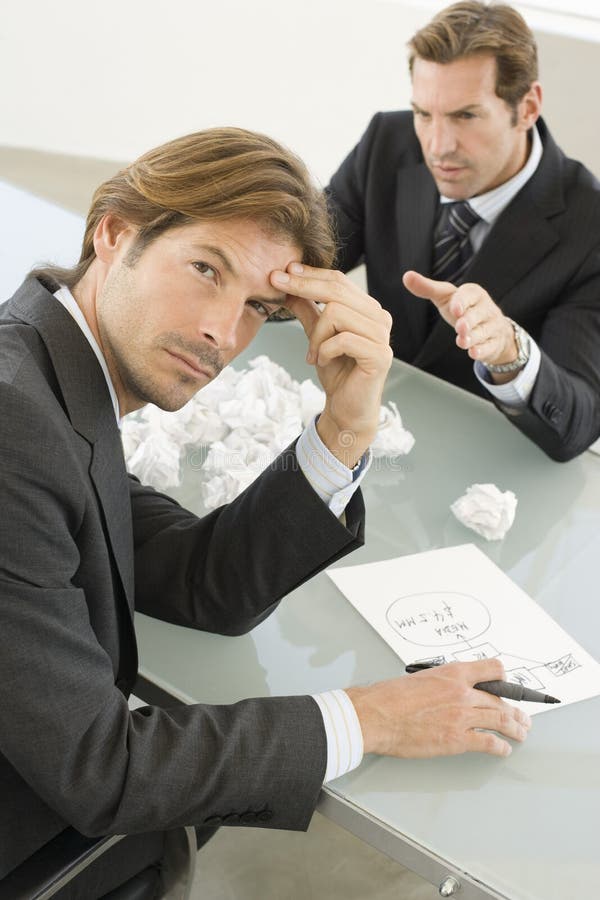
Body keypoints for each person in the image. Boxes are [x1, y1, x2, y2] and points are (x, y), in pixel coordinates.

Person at [0, 126, 530, 896]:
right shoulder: (16, 426)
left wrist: (346, 425)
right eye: (205, 269)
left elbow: (202, 581)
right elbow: (102, 769)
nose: (222, 332)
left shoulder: (50, 378)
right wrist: (373, 717)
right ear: (114, 233)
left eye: (256, 305)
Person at [327, 0, 600, 462]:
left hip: (490, 474)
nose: (437, 146)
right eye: (424, 114)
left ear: (528, 107)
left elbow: (577, 424)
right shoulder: (386, 143)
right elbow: (306, 250)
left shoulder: (590, 226)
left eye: (465, 116)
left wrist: (510, 352)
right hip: (369, 437)